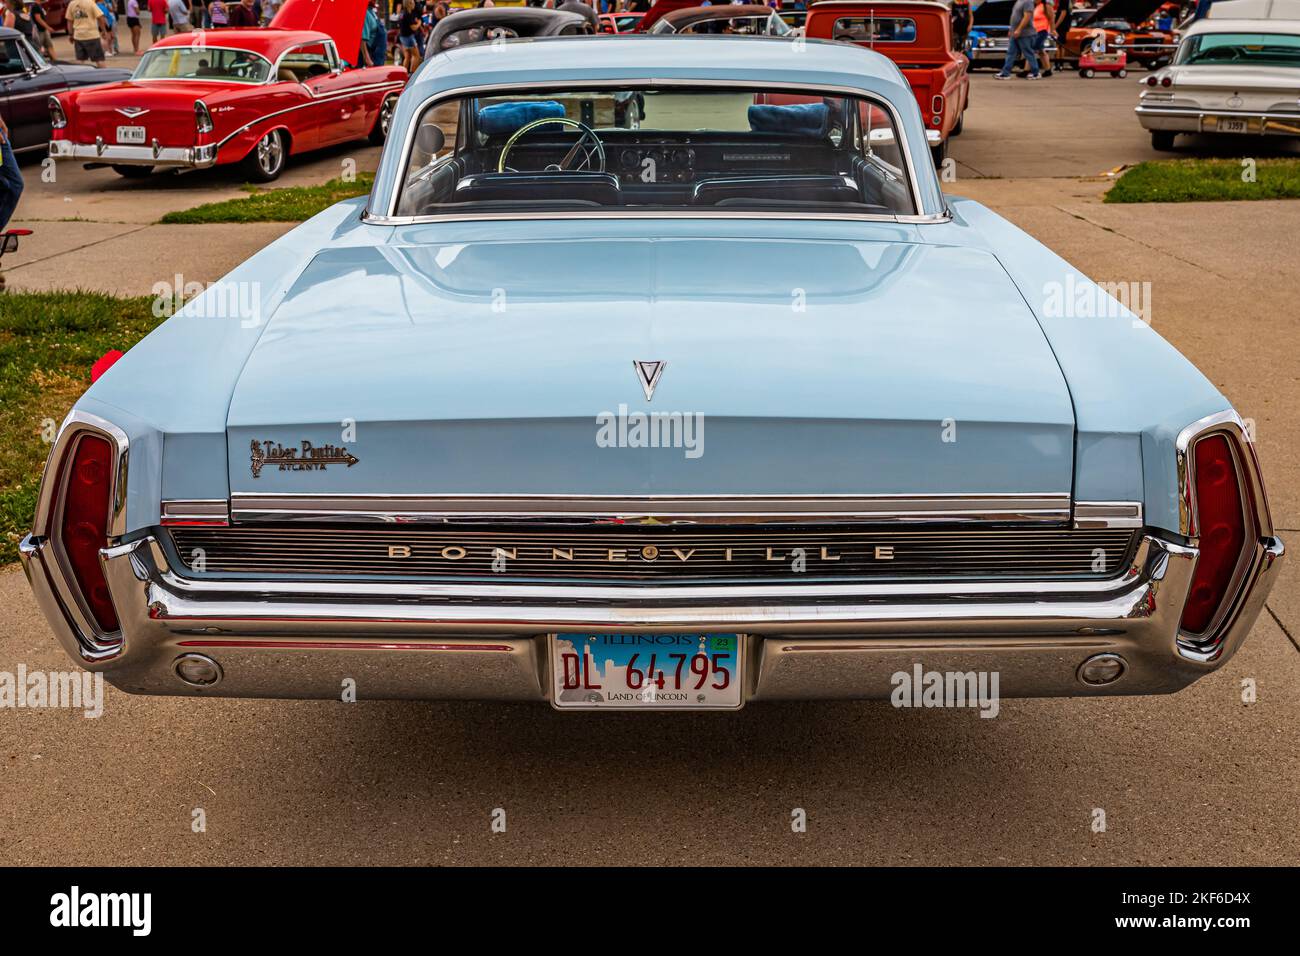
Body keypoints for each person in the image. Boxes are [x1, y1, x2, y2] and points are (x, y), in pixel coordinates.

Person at [994, 0, 1039, 79]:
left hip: (1025, 33)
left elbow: (1027, 17)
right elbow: (1014, 17)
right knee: (1010, 53)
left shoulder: (1028, 2)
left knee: (1028, 53)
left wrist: (1019, 29)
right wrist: (1011, 29)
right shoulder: (1018, 1)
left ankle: (1036, 73)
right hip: (1014, 33)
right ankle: (1005, 73)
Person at [65, 0, 107, 66]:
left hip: (78, 36)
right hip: (92, 36)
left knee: (80, 60)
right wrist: (104, 31)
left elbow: (69, 21)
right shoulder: (90, 3)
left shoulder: (72, 4)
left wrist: (70, 34)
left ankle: (81, 75)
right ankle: (104, 75)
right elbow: (100, 17)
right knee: (99, 59)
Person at [1031, 0, 1053, 75]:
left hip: (1043, 30)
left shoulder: (1046, 6)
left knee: (1033, 49)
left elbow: (1052, 18)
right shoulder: (1037, 7)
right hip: (1036, 31)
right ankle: (1048, 70)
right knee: (1041, 51)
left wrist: (1053, 30)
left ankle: (1028, 70)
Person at [397, 0, 419, 72]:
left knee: (407, 57)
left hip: (402, 37)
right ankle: (412, 73)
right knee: (416, 56)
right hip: (408, 37)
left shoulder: (402, 13)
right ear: (409, 4)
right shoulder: (408, 14)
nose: (414, 4)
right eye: (412, 3)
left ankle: (404, 73)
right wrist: (419, 23)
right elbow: (413, 27)